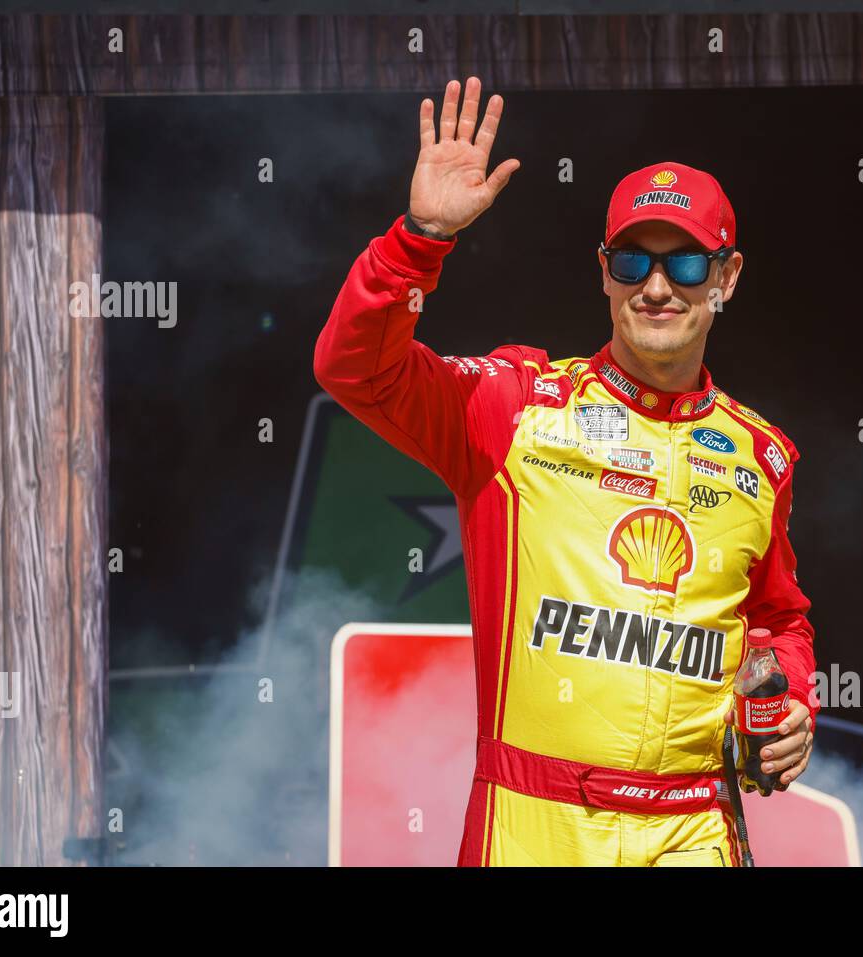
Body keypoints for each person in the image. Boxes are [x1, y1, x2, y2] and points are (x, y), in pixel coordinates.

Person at [314, 76, 818, 867]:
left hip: (693, 826)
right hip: (534, 822)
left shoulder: (763, 455)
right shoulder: (516, 405)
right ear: (603, 271)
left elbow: (777, 620)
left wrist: (788, 705)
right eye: (632, 260)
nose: (657, 287)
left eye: (686, 264)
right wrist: (420, 238)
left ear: (727, 278)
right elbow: (355, 371)